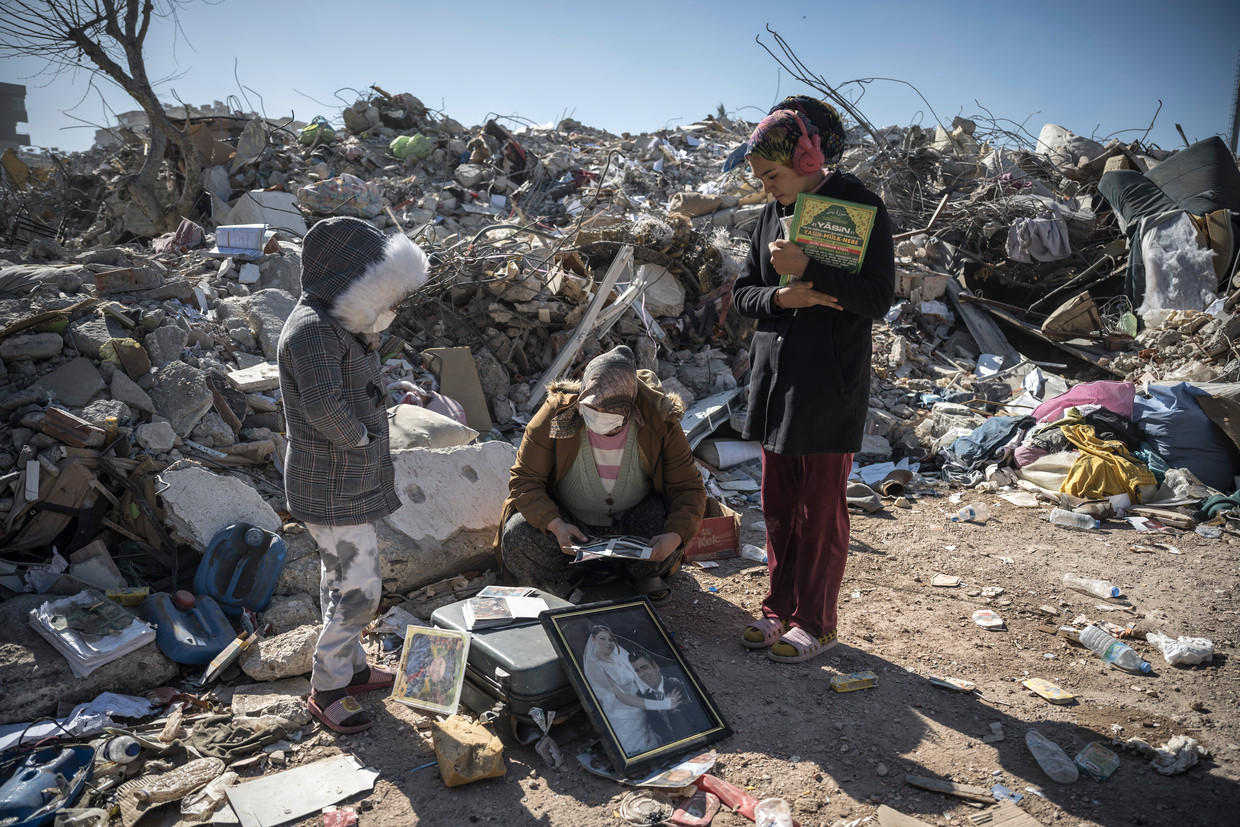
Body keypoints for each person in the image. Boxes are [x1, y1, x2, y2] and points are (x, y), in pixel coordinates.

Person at [732, 101, 895, 663]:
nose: (766, 188)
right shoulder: (770, 215)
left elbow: (877, 297)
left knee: (820, 508)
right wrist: (781, 296)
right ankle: (778, 608)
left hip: (829, 383)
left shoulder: (859, 206)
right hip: (776, 379)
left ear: (806, 159)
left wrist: (810, 272)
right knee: (777, 503)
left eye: (771, 176)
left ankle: (816, 622)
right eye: (759, 179)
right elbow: (742, 294)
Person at [278, 216, 429, 732]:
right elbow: (323, 403)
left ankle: (351, 666)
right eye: (385, 295)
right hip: (332, 480)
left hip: (340, 478)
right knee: (360, 586)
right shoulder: (313, 331)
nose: (390, 308)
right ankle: (326, 686)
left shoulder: (334, 322)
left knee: (340, 579)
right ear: (353, 286)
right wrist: (360, 438)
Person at [496, 345, 706, 600]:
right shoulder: (558, 413)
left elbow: (689, 488)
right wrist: (555, 524)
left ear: (630, 409)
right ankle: (560, 583)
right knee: (518, 536)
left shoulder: (658, 422)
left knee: (668, 527)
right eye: (592, 409)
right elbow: (524, 480)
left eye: (610, 413)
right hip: (570, 522)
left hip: (633, 521)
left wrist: (674, 535)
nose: (599, 418)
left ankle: (642, 575)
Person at [581, 625, 677, 755]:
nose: (608, 643)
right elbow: (621, 696)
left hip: (640, 702)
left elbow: (640, 675)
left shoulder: (620, 656)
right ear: (593, 640)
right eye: (602, 639)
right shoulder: (594, 665)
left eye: (611, 640)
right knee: (637, 750)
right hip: (622, 711)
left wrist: (664, 682)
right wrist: (663, 704)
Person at [629, 650, 709, 744]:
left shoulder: (676, 685)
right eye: (637, 671)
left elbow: (698, 719)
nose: (642, 674)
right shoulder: (644, 697)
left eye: (645, 667)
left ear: (656, 666)